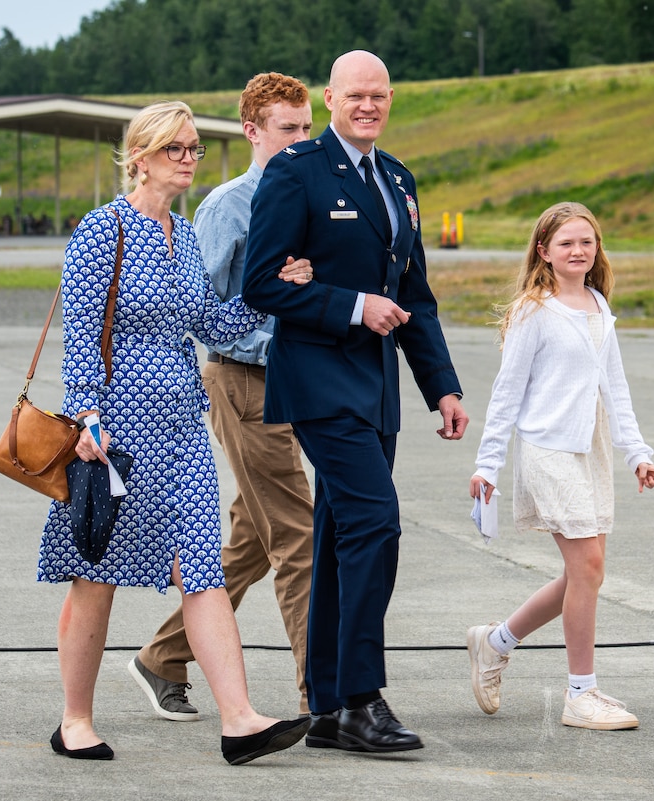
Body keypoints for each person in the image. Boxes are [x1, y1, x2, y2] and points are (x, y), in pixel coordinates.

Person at [36, 99, 311, 765]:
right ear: (141, 157)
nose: (188, 159)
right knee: (94, 570)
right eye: (175, 149)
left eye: (192, 148)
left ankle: (240, 719)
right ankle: (75, 719)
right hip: (113, 431)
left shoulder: (183, 235)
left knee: (202, 568)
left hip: (182, 427)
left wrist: (272, 287)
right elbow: (81, 331)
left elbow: (212, 324)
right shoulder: (103, 231)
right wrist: (86, 413)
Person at [242, 50, 468, 754]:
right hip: (317, 379)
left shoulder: (398, 179)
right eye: (355, 96)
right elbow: (261, 285)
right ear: (332, 99)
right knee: (377, 522)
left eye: (379, 96)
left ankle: (330, 708)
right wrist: (350, 306)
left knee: (343, 536)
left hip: (377, 388)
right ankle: (365, 697)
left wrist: (443, 385)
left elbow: (415, 296)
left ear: (390, 99)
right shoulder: (296, 170)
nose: (368, 106)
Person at [130, 72, 316, 721]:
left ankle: (161, 655)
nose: (299, 139)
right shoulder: (226, 208)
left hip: (303, 382)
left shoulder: (309, 197)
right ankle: (321, 693)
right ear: (252, 130)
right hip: (245, 381)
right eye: (286, 128)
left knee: (255, 539)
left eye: (305, 127)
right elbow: (194, 312)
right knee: (298, 536)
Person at [466, 201, 654, 731]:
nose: (578, 251)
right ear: (544, 252)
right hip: (547, 449)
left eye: (587, 241)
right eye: (566, 243)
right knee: (588, 569)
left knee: (585, 574)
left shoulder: (599, 305)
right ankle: (581, 693)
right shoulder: (533, 311)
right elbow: (506, 394)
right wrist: (487, 465)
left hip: (592, 449)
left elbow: (615, 388)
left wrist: (638, 454)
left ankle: (495, 642)